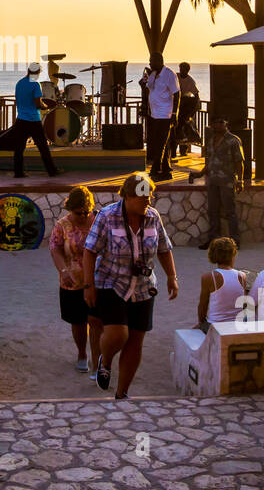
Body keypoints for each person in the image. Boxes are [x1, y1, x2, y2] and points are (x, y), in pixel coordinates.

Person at [82, 172, 179, 399]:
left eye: (150, 196)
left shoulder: (153, 217)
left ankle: (122, 393)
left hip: (144, 287)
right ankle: (105, 362)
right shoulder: (107, 216)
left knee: (136, 340)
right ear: (127, 195)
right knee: (118, 335)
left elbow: (164, 249)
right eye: (143, 196)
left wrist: (172, 277)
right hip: (111, 283)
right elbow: (89, 251)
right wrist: (88, 286)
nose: (148, 200)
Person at [49, 185, 101, 375]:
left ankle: (98, 360)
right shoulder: (62, 225)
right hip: (72, 281)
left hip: (97, 280)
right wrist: (63, 270)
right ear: (70, 210)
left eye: (86, 212)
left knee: (96, 321)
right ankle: (81, 353)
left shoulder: (98, 221)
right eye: (78, 213)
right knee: (78, 321)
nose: (82, 216)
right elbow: (55, 248)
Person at [9, 62, 60, 179]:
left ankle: (18, 173)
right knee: (43, 147)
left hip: (21, 119)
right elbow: (38, 104)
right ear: (37, 72)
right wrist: (46, 106)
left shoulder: (19, 83)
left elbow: (18, 100)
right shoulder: (36, 85)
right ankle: (52, 171)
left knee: (19, 148)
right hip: (33, 120)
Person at [202, 115, 244, 248]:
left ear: (226, 123)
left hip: (227, 181)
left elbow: (239, 162)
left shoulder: (233, 141)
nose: (218, 125)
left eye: (221, 122)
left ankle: (235, 241)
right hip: (213, 180)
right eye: (215, 122)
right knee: (213, 210)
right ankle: (213, 240)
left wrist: (240, 180)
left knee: (230, 211)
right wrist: (201, 173)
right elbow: (208, 159)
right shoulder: (210, 140)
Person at [140, 52, 180, 181]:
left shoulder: (169, 74)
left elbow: (177, 94)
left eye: (152, 61)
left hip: (165, 114)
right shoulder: (153, 74)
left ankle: (155, 169)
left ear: (159, 61)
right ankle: (166, 169)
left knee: (160, 142)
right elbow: (148, 89)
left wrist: (174, 113)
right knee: (160, 142)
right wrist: (143, 84)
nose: (150, 63)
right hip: (154, 114)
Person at [197, 236, 249, 329]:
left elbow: (203, 305)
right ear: (233, 255)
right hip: (237, 325)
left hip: (216, 326)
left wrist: (201, 323)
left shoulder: (209, 277)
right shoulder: (242, 276)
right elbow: (244, 305)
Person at [173, 62, 201, 157]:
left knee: (183, 128)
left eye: (184, 69)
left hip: (184, 105)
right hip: (176, 103)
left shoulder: (190, 81)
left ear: (187, 70)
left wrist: (191, 111)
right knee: (175, 128)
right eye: (181, 69)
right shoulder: (176, 77)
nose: (181, 71)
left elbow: (196, 95)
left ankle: (182, 150)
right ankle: (173, 149)